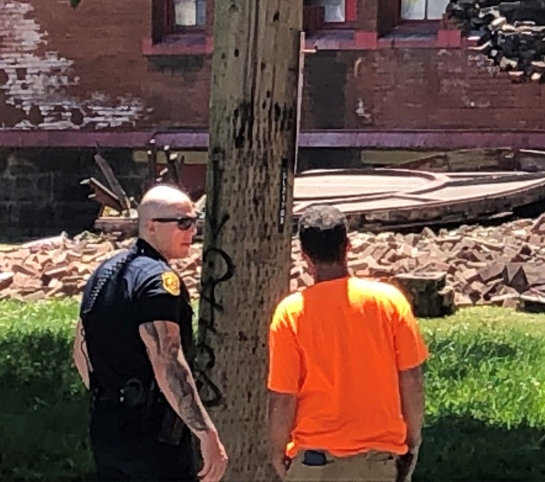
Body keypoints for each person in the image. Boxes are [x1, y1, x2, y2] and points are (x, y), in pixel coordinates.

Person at [74, 184, 229, 482]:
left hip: (106, 428)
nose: (192, 231)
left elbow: (80, 349)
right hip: (153, 435)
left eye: (194, 221)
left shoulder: (104, 273)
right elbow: (168, 361)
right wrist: (206, 433)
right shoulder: (159, 280)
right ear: (151, 226)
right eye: (183, 222)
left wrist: (108, 394)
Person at [267, 204, 427, 482]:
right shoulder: (389, 301)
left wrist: (277, 452)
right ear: (348, 246)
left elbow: (283, 398)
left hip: (315, 462)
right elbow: (411, 378)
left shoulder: (291, 313)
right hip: (378, 460)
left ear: (305, 256)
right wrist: (412, 442)